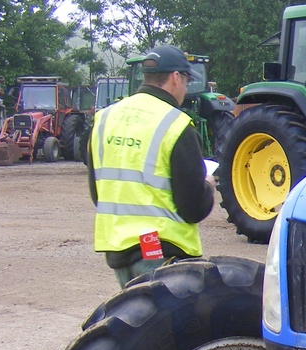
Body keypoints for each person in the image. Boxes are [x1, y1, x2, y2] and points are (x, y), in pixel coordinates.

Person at [87, 45, 215, 287]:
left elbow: (98, 194)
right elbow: (193, 207)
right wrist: (207, 187)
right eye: (186, 81)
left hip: (119, 251)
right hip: (161, 252)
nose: (185, 89)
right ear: (176, 78)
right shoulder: (176, 125)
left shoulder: (104, 119)